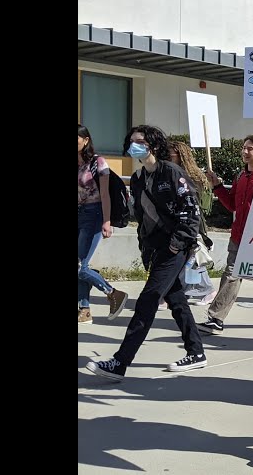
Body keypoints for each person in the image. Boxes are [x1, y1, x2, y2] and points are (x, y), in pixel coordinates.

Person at [85, 125, 207, 380]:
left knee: (147, 301)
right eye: (131, 141)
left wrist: (177, 243)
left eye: (139, 141)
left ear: (153, 145)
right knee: (176, 301)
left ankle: (120, 363)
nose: (134, 145)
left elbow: (191, 212)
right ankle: (196, 352)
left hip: (174, 247)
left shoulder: (172, 172)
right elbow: (141, 217)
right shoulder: (139, 178)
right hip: (156, 249)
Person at [198, 135, 253, 334]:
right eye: (244, 148)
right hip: (239, 236)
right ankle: (216, 318)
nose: (245, 152)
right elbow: (232, 205)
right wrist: (217, 186)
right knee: (231, 275)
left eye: (250, 149)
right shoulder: (240, 177)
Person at [78, 124, 128, 324]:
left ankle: (113, 293)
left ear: (86, 140)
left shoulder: (99, 163)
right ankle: (84, 310)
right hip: (79, 214)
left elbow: (105, 194)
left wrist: (107, 221)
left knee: (81, 268)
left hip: (95, 214)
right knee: (81, 266)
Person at [166, 140, 217, 304]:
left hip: (190, 222)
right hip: (175, 221)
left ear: (180, 155)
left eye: (170, 153)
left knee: (192, 257)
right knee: (188, 259)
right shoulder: (171, 173)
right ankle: (189, 290)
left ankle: (206, 289)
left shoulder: (192, 178)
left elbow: (196, 203)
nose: (167, 155)